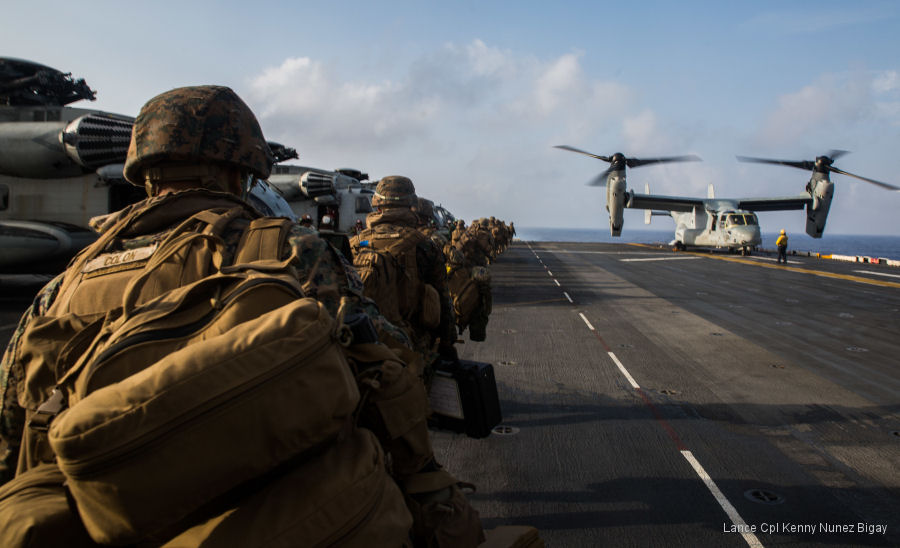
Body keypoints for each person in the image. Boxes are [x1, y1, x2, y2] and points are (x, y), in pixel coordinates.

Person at [0, 85, 478, 546]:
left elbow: (12, 432)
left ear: (145, 173)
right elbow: (381, 365)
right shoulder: (287, 250)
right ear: (238, 171)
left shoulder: (65, 284)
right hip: (272, 513)